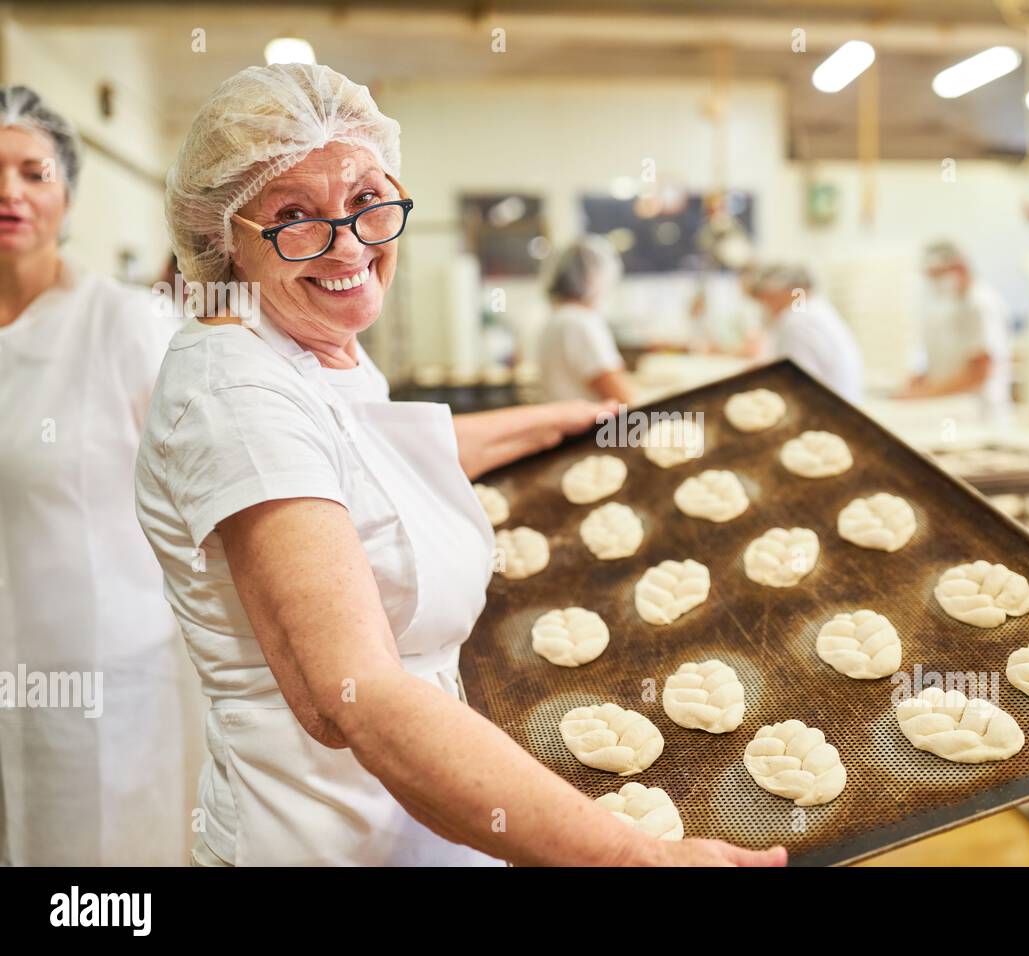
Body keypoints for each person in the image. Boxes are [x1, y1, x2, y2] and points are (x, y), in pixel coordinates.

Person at [137, 63, 786, 867]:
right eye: (293, 216)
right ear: (220, 237)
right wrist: (629, 859)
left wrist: (566, 424)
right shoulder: (232, 394)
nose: (346, 243)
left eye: (367, 201)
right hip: (317, 836)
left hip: (427, 814)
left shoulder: (307, 346)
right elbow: (356, 699)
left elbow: (375, 466)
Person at [0, 86, 199, 864]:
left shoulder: (124, 324)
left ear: (69, 194)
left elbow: (201, 487)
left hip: (104, 690)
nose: (8, 192)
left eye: (33, 172)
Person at [898, 240, 1011, 419]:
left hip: (980, 414)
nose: (934, 282)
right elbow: (946, 362)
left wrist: (926, 395)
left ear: (959, 267)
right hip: (953, 411)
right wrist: (918, 381)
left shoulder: (981, 305)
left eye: (938, 275)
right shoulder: (949, 306)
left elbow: (980, 371)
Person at [749, 263, 864, 404]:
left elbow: (797, 383)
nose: (765, 306)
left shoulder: (798, 321)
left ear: (783, 291)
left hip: (824, 410)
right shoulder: (814, 310)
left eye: (766, 299)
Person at [537, 235, 633, 403]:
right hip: (594, 427)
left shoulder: (557, 319)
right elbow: (621, 395)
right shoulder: (580, 322)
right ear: (592, 278)